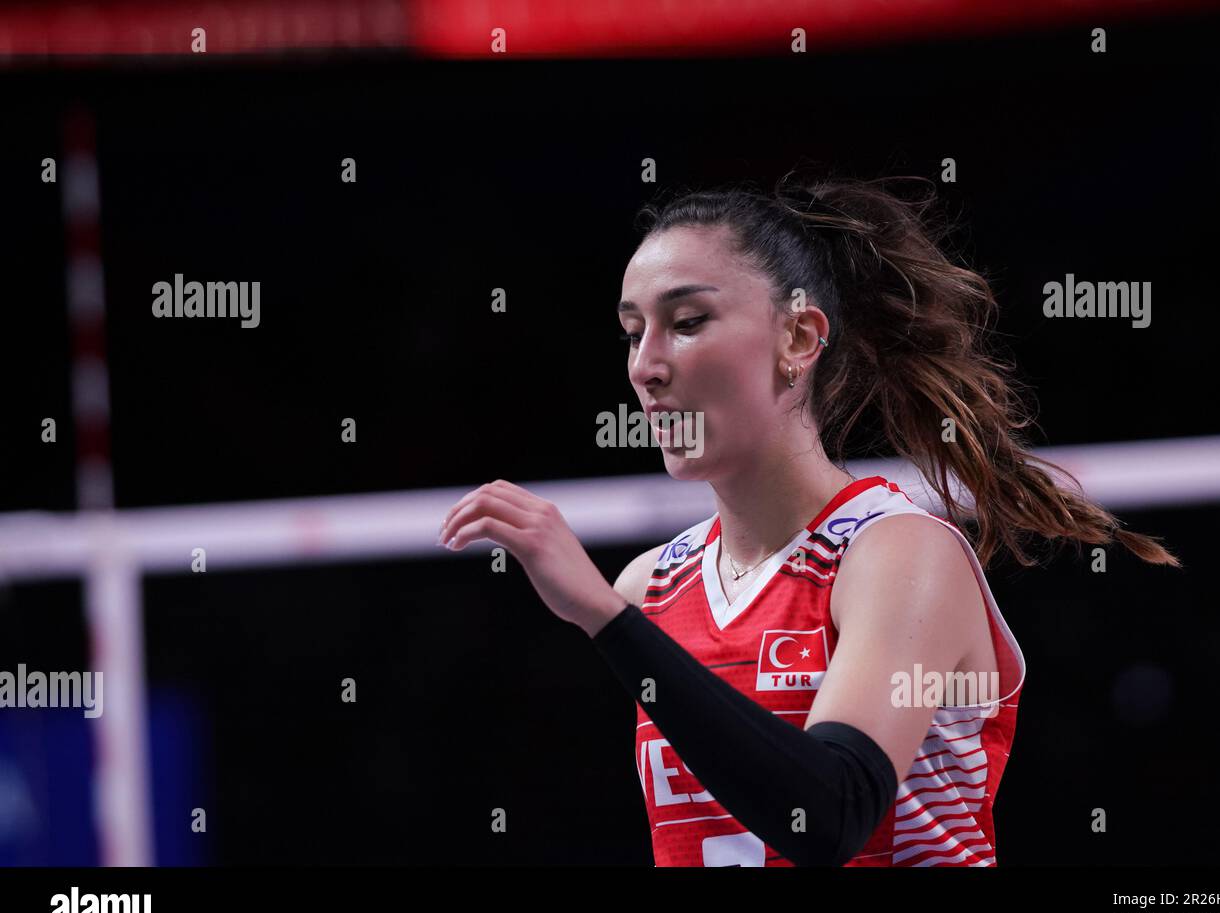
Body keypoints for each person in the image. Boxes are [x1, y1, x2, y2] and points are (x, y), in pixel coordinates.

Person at [438, 172, 1180, 866]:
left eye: (687, 321)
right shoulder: (651, 587)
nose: (645, 366)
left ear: (798, 339)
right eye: (634, 332)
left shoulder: (901, 554)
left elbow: (830, 811)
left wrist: (602, 615)